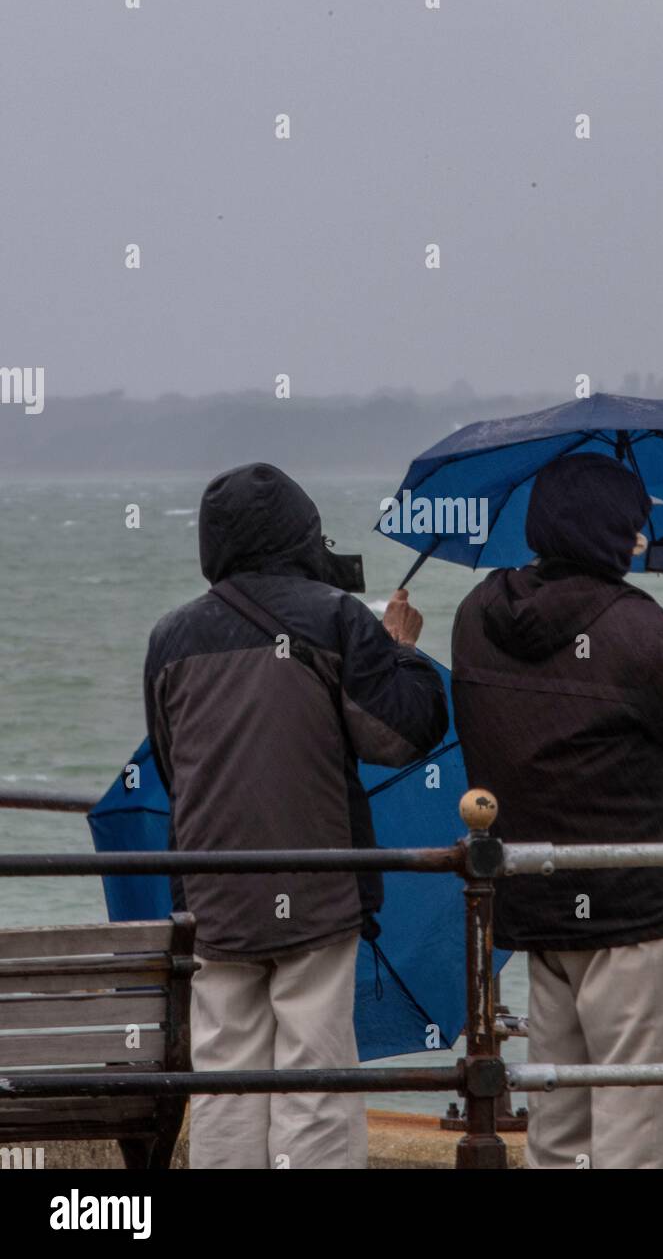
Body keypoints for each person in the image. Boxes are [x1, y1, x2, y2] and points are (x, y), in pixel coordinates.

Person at [144, 462, 448, 1170]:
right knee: (314, 1076)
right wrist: (400, 653)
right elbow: (399, 735)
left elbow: (170, 764)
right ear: (298, 533)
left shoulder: (169, 638)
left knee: (225, 1080)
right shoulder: (335, 617)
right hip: (316, 884)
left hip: (211, 886)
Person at [451, 453, 663, 1169]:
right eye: (636, 528)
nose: (641, 541)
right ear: (615, 534)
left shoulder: (476, 613)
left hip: (536, 896)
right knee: (635, 1123)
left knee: (557, 1115)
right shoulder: (635, 624)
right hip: (634, 899)